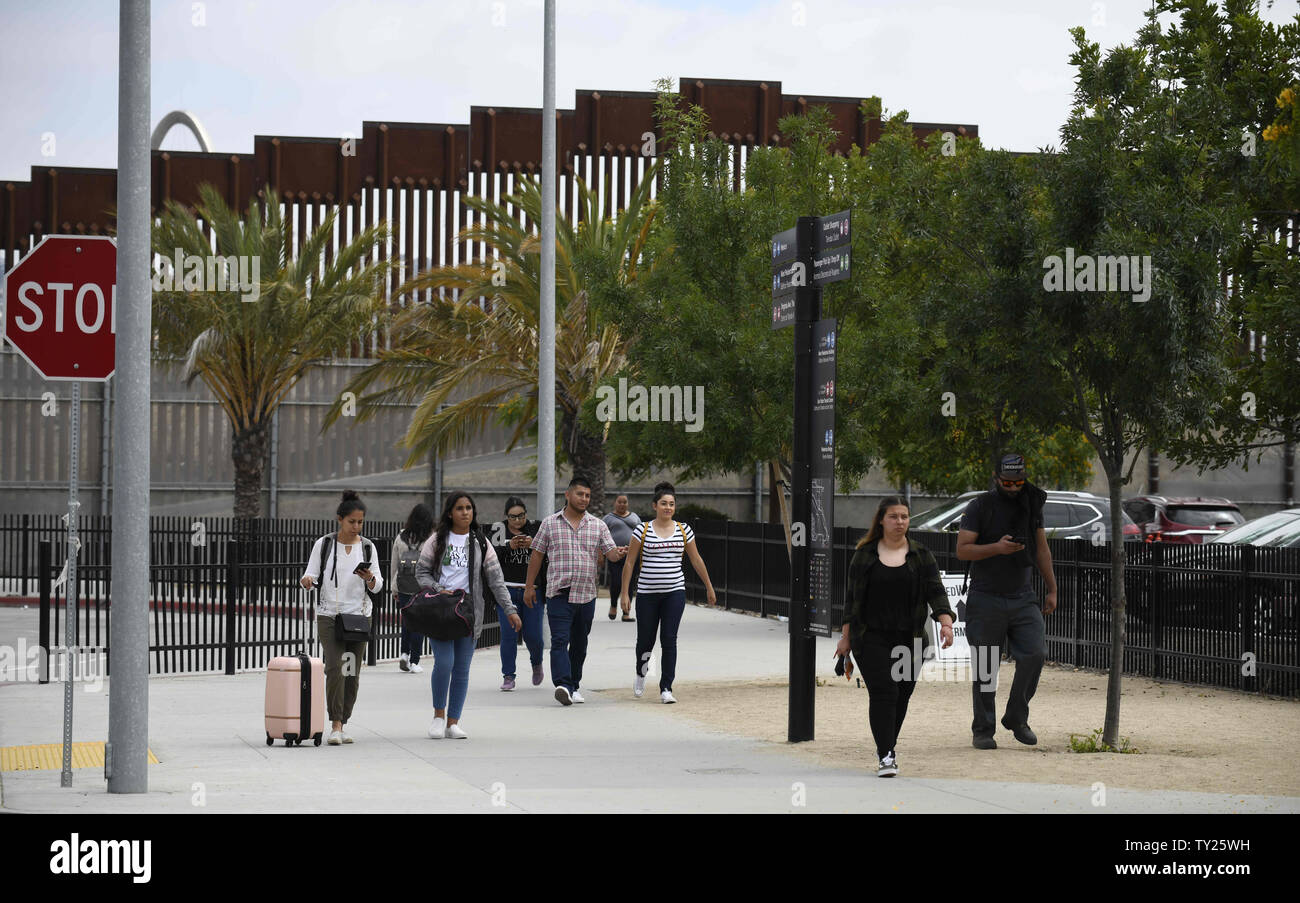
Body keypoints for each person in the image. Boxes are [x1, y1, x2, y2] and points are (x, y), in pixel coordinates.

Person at [834, 496, 955, 777]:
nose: (900, 522)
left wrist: (946, 624)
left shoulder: (921, 555)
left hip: (910, 639)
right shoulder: (864, 556)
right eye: (893, 516)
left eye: (904, 517)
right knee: (884, 692)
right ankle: (886, 755)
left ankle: (888, 744)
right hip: (871, 638)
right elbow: (852, 602)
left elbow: (936, 592)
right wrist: (846, 638)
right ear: (881, 520)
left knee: (901, 695)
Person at [955, 453, 1058, 750]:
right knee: (987, 666)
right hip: (985, 596)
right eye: (1007, 482)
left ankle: (1016, 715)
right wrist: (997, 548)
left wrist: (1052, 588)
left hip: (1022, 596)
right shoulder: (980, 506)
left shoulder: (1031, 502)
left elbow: (1041, 550)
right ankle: (983, 729)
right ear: (996, 476)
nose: (1013, 488)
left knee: (1035, 654)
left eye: (1019, 481)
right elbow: (963, 550)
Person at [416, 492, 522, 739]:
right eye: (460, 508)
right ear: (450, 513)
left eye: (469, 508)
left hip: (469, 613)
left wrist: (510, 610)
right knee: (444, 663)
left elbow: (496, 581)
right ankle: (438, 716)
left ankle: (453, 722)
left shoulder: (481, 543)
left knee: (462, 668)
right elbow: (422, 573)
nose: (465, 512)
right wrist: (440, 589)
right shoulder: (437, 540)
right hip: (441, 610)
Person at [524, 476, 627, 706]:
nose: (584, 499)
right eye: (580, 494)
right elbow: (537, 555)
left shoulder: (598, 525)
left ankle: (574, 685)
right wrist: (529, 586)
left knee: (580, 643)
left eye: (587, 495)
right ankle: (562, 684)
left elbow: (609, 552)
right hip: (559, 593)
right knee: (560, 640)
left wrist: (618, 553)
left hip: (586, 594)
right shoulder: (550, 523)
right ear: (568, 495)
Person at [620, 482, 717, 703]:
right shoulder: (642, 529)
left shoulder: (684, 530)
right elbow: (630, 562)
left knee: (669, 638)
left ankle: (666, 688)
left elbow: (696, 559)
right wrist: (625, 593)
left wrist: (709, 586)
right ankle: (642, 673)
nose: (668, 507)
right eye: (663, 503)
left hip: (674, 592)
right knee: (646, 640)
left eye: (671, 504)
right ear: (655, 505)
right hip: (647, 594)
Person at [300, 490, 383, 746]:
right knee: (335, 668)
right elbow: (310, 575)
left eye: (360, 522)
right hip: (330, 615)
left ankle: (343, 722)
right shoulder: (324, 544)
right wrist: (307, 581)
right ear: (340, 519)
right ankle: (334, 724)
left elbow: (378, 585)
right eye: (352, 522)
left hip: (358, 618)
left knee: (352, 673)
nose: (356, 526)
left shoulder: (368, 547)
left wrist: (369, 578)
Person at [489, 496, 548, 691]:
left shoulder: (536, 527)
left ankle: (536, 663)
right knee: (508, 635)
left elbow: (550, 551)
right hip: (507, 590)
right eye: (512, 517)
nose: (516, 521)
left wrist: (534, 544)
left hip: (531, 590)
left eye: (520, 516)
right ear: (506, 516)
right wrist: (509, 546)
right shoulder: (498, 529)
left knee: (534, 636)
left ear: (526, 514)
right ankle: (508, 675)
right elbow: (490, 557)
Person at [391, 502, 434, 674]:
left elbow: (394, 565)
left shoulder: (401, 537)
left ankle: (404, 654)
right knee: (419, 623)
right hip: (422, 587)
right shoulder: (431, 539)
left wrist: (394, 588)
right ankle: (415, 661)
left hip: (403, 586)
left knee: (407, 621)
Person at [602, 494, 642, 621]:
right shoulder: (608, 518)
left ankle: (626, 612)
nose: (622, 504)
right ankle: (613, 605)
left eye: (625, 502)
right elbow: (601, 536)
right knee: (617, 581)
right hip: (615, 554)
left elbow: (642, 533)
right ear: (615, 503)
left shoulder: (635, 517)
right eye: (619, 502)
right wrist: (601, 554)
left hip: (632, 554)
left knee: (630, 583)